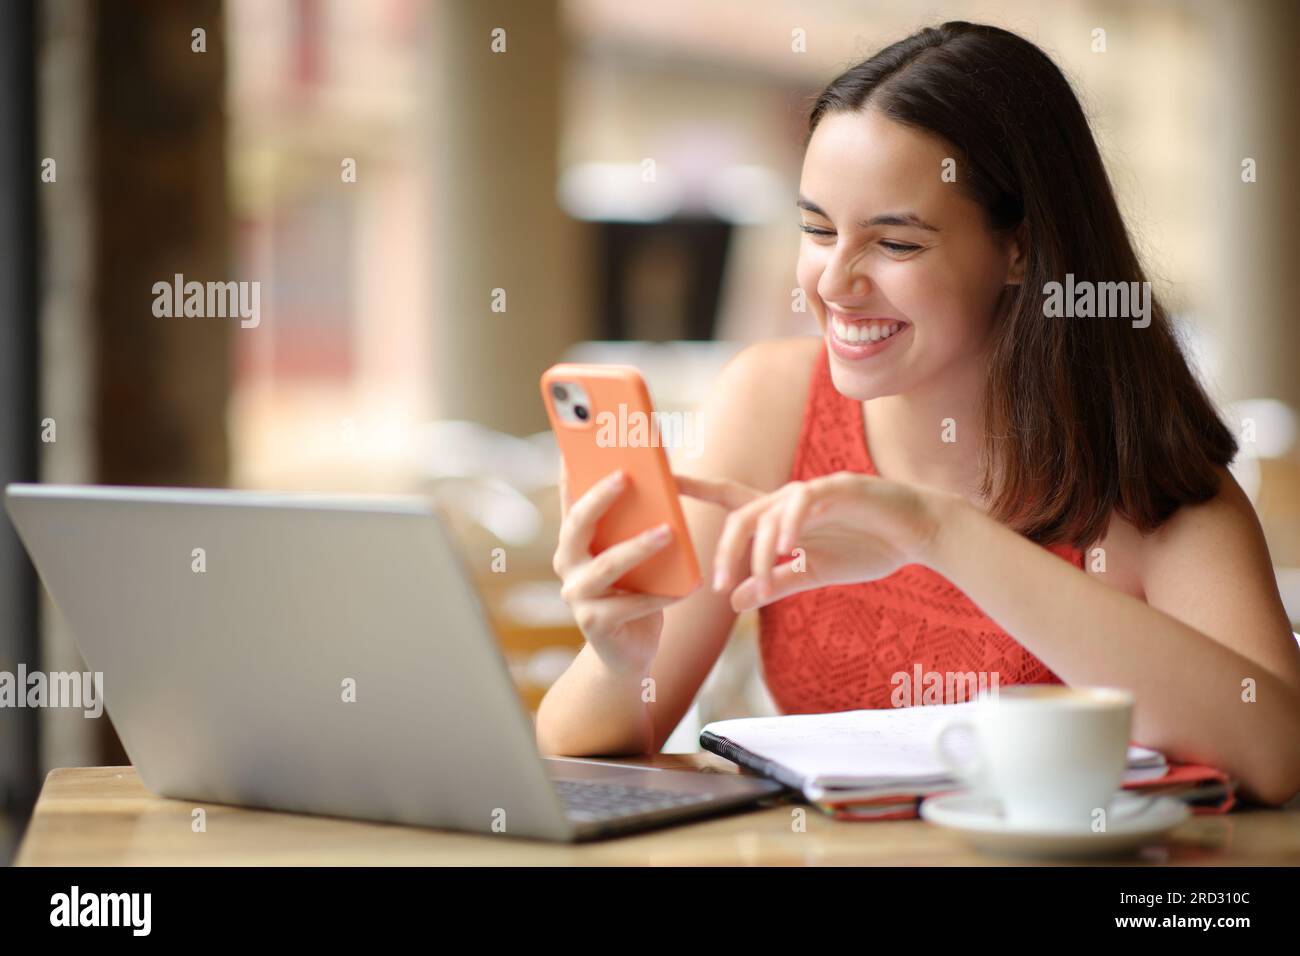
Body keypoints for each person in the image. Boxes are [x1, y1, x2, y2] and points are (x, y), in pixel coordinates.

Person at [536, 21, 1300, 807]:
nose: (835, 282)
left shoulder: (1149, 477)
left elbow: (1276, 752)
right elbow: (576, 764)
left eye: (895, 244)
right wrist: (623, 664)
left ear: (1022, 251)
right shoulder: (773, 403)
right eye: (816, 229)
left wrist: (938, 534)